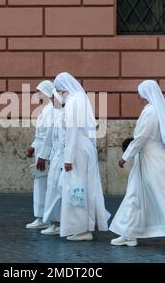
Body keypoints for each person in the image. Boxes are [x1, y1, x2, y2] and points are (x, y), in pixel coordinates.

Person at [109, 80, 165, 250]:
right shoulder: (152, 110)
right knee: (135, 196)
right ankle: (129, 233)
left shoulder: (151, 112)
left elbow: (141, 138)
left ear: (145, 94)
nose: (137, 96)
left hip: (154, 162)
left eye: (139, 93)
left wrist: (125, 157)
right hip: (149, 160)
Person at [53, 72, 110, 241]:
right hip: (84, 148)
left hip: (76, 149)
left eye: (57, 88)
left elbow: (72, 131)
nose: (56, 92)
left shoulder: (72, 102)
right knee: (84, 186)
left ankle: (81, 229)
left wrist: (68, 158)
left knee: (75, 187)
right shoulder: (80, 99)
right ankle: (88, 222)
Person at [25, 80, 55, 230]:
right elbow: (40, 135)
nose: (36, 94)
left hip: (46, 154)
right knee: (40, 185)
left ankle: (46, 217)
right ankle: (40, 216)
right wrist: (32, 146)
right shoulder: (44, 109)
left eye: (39, 91)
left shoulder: (50, 110)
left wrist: (43, 155)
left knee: (45, 186)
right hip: (41, 152)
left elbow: (49, 135)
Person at [38, 89, 66, 236]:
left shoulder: (65, 115)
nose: (51, 100)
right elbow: (49, 138)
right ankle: (54, 222)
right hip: (56, 158)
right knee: (52, 190)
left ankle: (60, 223)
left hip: (62, 159)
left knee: (58, 191)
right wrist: (43, 156)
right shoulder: (58, 115)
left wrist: (66, 161)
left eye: (53, 97)